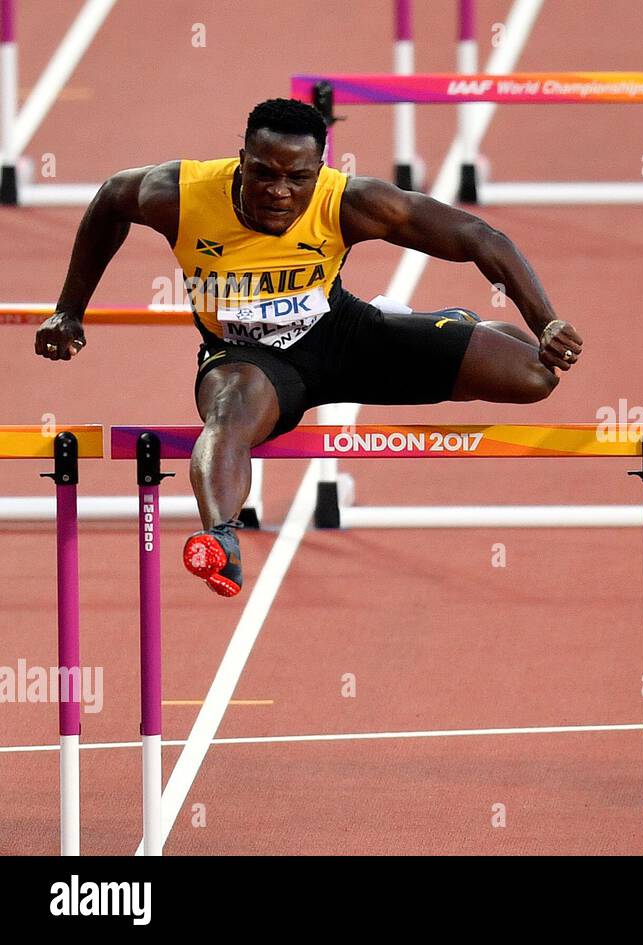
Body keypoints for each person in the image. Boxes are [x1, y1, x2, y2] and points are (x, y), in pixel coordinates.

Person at [36, 98, 582, 595]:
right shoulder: (178, 194)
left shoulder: (350, 202)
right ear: (241, 159)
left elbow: (478, 237)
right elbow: (110, 200)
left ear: (319, 171)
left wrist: (546, 321)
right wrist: (68, 310)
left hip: (344, 335)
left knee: (534, 377)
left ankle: (449, 325)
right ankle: (220, 539)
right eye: (264, 173)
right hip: (249, 360)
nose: (279, 190)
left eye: (297, 177)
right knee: (228, 417)